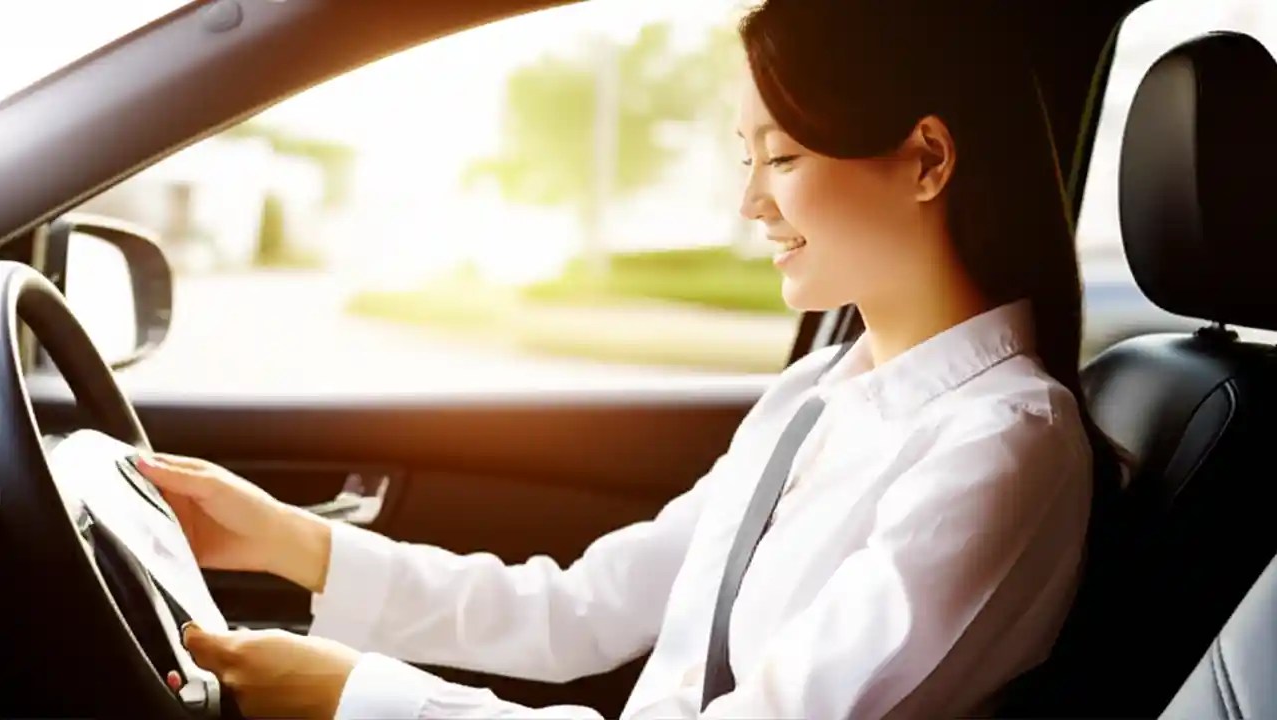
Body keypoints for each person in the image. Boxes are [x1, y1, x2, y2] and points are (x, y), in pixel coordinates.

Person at [138, 0, 1121, 717]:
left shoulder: (998, 453)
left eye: (781, 157)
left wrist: (360, 698)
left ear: (925, 161)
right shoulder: (823, 390)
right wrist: (286, 541)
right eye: (745, 158)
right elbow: (582, 611)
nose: (750, 204)